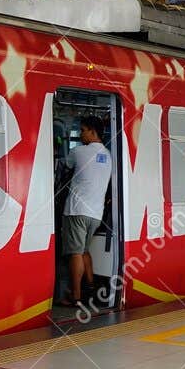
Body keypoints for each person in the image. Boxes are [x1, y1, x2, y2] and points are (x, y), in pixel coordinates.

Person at [60, 116, 111, 307]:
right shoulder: (108, 156)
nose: (81, 134)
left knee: (75, 253)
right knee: (84, 251)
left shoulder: (79, 152)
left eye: (82, 130)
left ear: (92, 131)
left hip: (77, 211)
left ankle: (76, 296)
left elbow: (64, 166)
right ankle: (90, 287)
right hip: (95, 214)